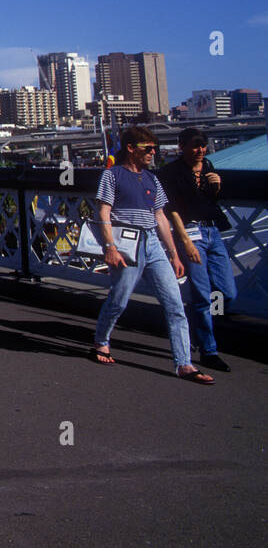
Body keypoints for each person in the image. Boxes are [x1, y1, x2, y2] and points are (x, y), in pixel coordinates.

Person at [90, 126, 212, 384]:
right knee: (119, 300)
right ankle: (101, 341)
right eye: (148, 149)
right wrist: (109, 247)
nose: (153, 153)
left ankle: (184, 364)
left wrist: (174, 254)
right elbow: (103, 212)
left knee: (175, 304)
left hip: (153, 243)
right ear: (131, 148)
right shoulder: (112, 176)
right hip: (126, 243)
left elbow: (160, 217)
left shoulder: (152, 179)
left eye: (154, 149)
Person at [159, 128, 237, 373]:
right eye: (195, 146)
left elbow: (206, 202)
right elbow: (171, 210)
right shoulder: (170, 173)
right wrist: (185, 241)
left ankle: (198, 329)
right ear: (182, 146)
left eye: (203, 145)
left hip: (213, 232)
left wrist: (216, 187)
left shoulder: (208, 165)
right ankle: (209, 350)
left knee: (227, 292)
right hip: (191, 234)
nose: (200, 150)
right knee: (203, 295)